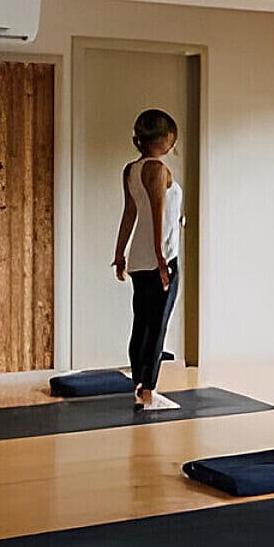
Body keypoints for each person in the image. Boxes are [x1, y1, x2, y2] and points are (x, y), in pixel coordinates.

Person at [112, 109, 184, 411]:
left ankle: (139, 385)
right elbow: (157, 215)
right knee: (157, 326)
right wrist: (161, 259)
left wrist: (120, 253)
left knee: (142, 322)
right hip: (159, 260)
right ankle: (148, 391)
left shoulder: (131, 168)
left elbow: (130, 213)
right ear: (164, 138)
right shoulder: (156, 169)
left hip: (140, 259)